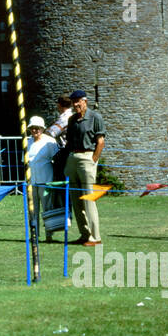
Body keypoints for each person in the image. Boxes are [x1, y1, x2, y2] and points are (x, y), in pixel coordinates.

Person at [63, 90, 104, 247]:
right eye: (73, 102)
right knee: (76, 200)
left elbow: (100, 142)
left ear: (85, 101)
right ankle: (84, 234)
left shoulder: (95, 117)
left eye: (78, 101)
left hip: (87, 158)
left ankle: (95, 237)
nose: (75, 104)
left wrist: (93, 160)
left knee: (89, 199)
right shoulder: (72, 119)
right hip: (73, 158)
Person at [26, 116, 55, 242]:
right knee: (33, 209)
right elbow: (25, 162)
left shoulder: (50, 142)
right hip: (32, 181)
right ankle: (34, 235)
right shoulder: (27, 142)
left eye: (37, 128)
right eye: (32, 128)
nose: (35, 131)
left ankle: (49, 234)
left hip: (46, 179)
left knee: (47, 207)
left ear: (42, 129)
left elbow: (56, 159)